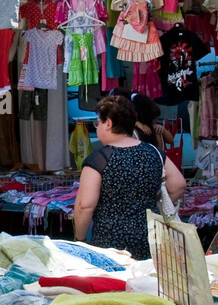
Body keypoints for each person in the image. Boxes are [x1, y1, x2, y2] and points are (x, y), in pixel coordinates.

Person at [73, 95, 185, 260]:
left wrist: (80, 238)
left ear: (109, 123)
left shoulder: (99, 159)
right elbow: (179, 185)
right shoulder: (154, 152)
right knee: (149, 282)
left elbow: (85, 206)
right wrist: (151, 204)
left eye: (98, 123)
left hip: (110, 242)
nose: (97, 127)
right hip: (151, 238)